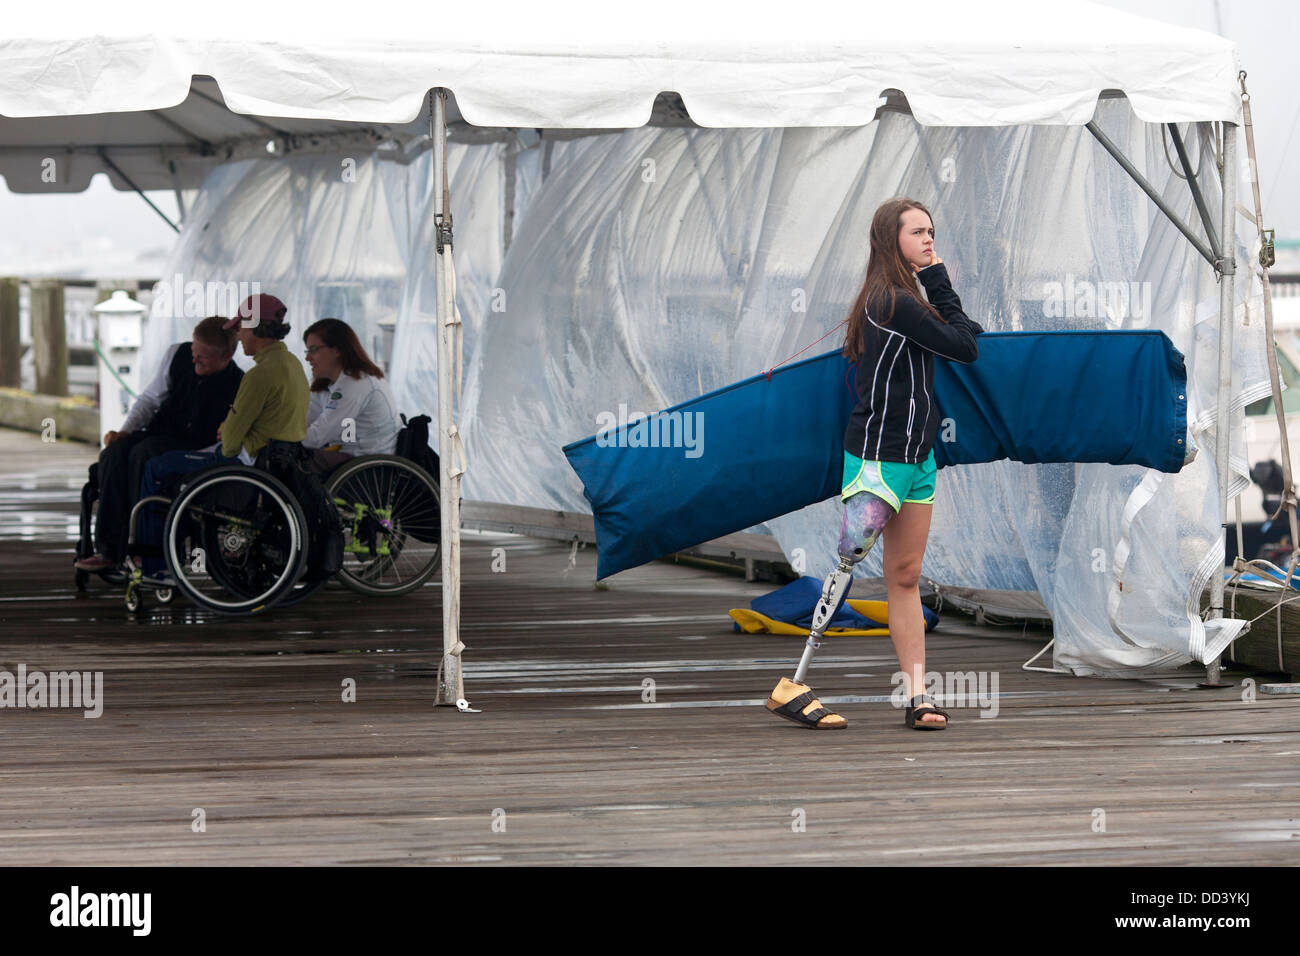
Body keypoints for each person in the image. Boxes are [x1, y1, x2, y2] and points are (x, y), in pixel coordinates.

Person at [765, 197, 984, 731]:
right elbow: (965, 343)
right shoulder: (893, 301)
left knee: (905, 576)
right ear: (892, 241)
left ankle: (917, 697)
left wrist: (934, 284)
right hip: (877, 458)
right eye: (918, 233)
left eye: (932, 232)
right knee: (847, 564)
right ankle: (792, 685)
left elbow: (963, 336)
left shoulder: (904, 298)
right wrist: (939, 279)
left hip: (918, 457)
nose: (930, 240)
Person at [135, 293, 310, 580]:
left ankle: (155, 565)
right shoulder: (292, 364)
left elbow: (229, 445)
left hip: (245, 461)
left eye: (241, 328)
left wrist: (228, 426)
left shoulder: (258, 375)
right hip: (279, 457)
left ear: (255, 328)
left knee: (156, 467)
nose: (239, 337)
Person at [74, 316, 243, 572]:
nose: (194, 359)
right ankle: (109, 549)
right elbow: (150, 399)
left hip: (193, 446)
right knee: (115, 452)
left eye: (203, 357)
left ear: (227, 356)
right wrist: (125, 430)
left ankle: (141, 548)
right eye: (194, 352)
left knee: (144, 455)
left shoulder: (239, 384)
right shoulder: (178, 354)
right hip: (159, 433)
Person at [301, 318, 400, 474]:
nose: (308, 358)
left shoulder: (356, 383)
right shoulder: (328, 384)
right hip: (348, 456)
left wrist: (284, 439)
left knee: (292, 461)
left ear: (337, 350)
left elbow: (318, 435)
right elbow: (305, 421)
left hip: (368, 465)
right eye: (307, 351)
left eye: (314, 350)